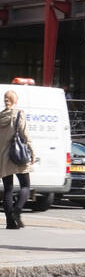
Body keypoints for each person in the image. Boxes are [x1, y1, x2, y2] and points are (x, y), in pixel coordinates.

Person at [0, 89, 35, 229]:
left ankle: (10, 223)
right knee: (25, 185)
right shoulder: (19, 114)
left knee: (8, 190)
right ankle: (17, 210)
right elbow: (24, 134)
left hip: (3, 157)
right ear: (16, 101)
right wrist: (32, 151)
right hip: (17, 155)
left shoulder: (1, 116)